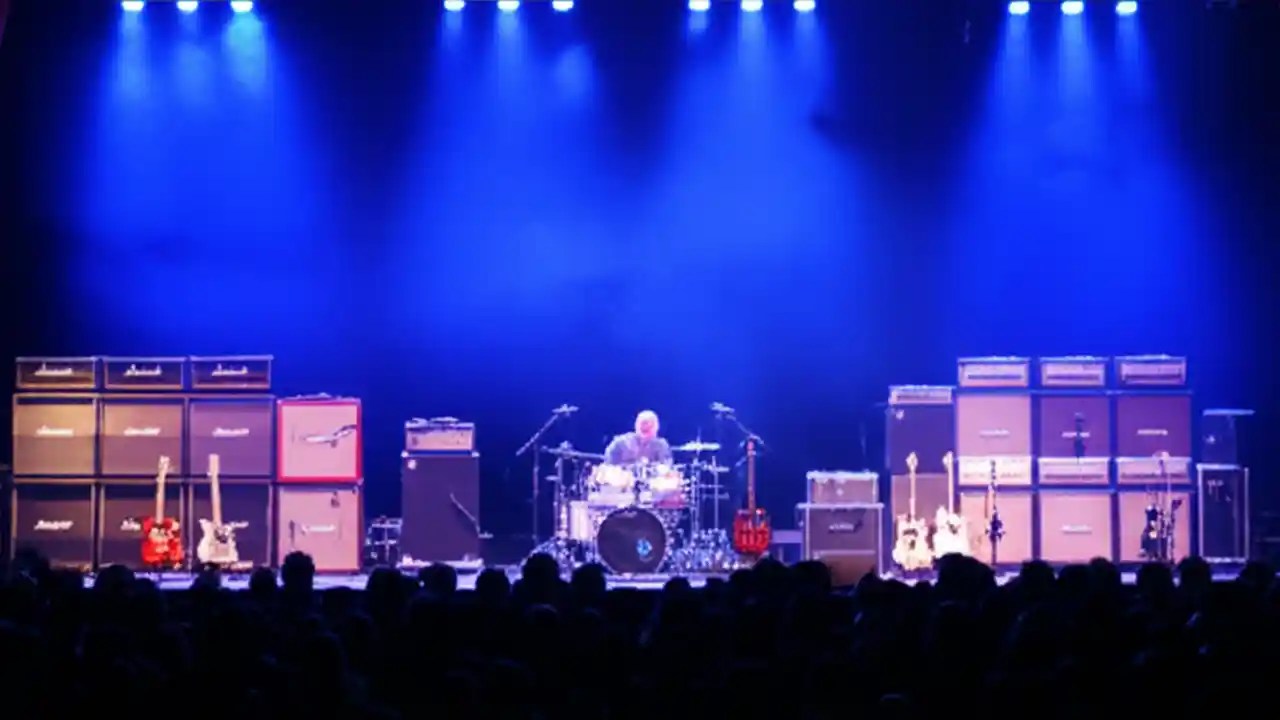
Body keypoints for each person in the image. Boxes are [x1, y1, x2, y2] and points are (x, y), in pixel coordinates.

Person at [604, 410, 673, 466]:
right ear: (636, 425)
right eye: (643, 422)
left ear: (657, 427)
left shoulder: (662, 445)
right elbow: (609, 464)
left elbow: (666, 467)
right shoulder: (620, 443)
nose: (646, 426)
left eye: (650, 423)